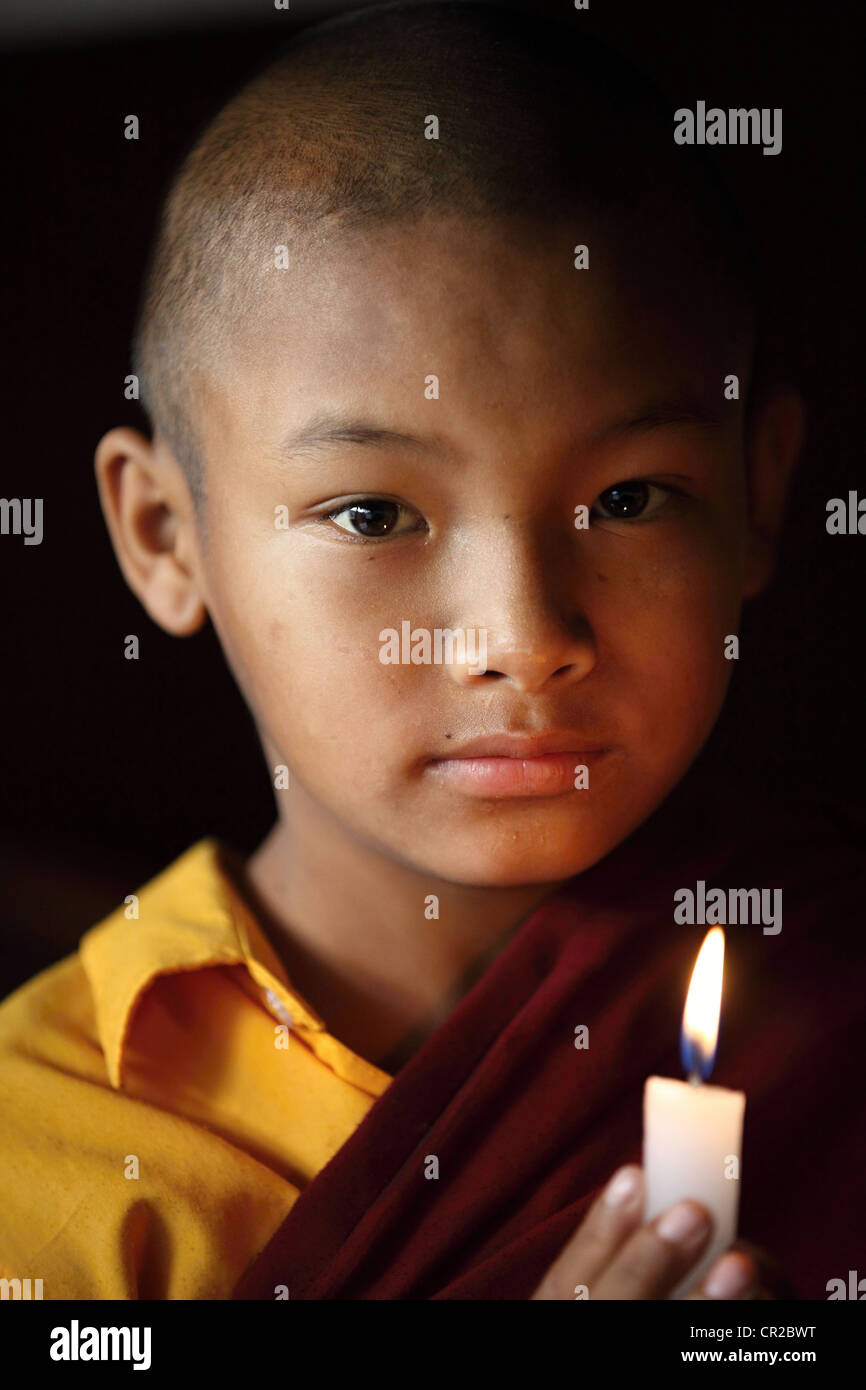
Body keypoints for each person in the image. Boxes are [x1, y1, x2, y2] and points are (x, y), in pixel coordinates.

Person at [2, 1, 860, 1302]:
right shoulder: (41, 1147)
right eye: (371, 512)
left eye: (627, 498)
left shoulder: (833, 987)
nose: (523, 640)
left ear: (759, 492)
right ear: (163, 534)